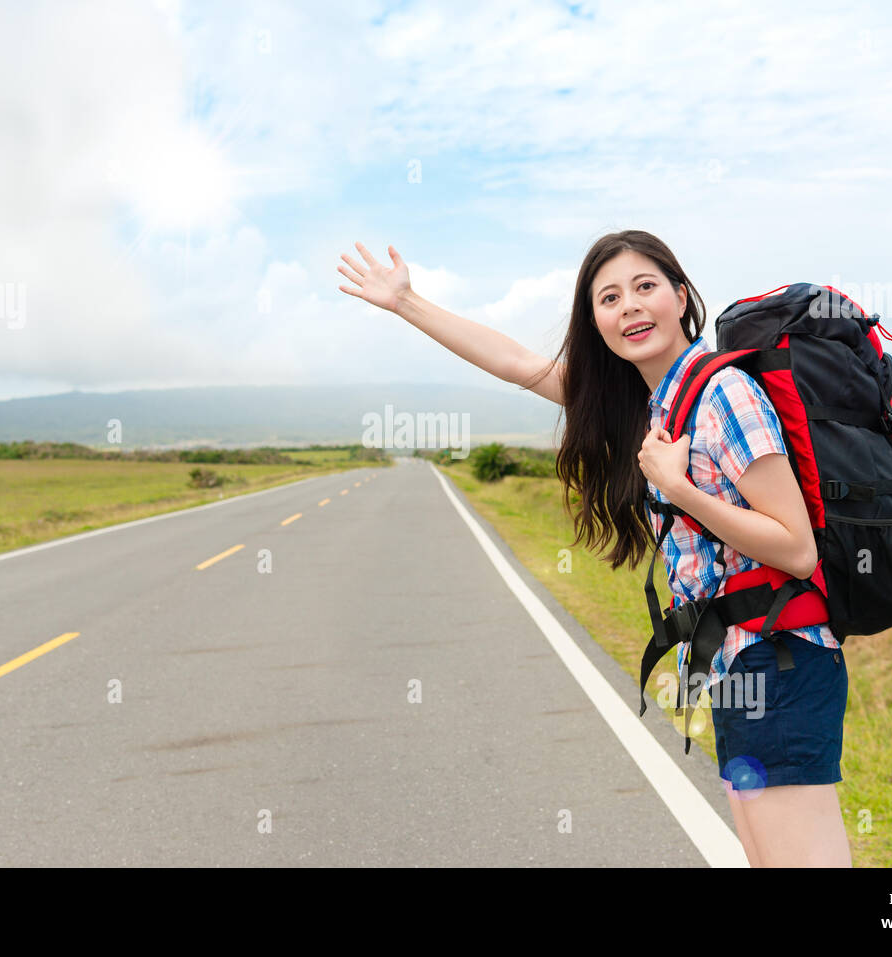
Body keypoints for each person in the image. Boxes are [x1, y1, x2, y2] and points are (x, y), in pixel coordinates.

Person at [336, 231, 852, 868]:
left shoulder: (724, 396)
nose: (629, 306)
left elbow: (796, 549)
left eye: (645, 287)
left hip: (782, 664)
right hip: (737, 665)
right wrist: (407, 302)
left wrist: (677, 488)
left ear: (681, 296)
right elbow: (521, 365)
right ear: (596, 322)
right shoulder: (655, 406)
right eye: (608, 298)